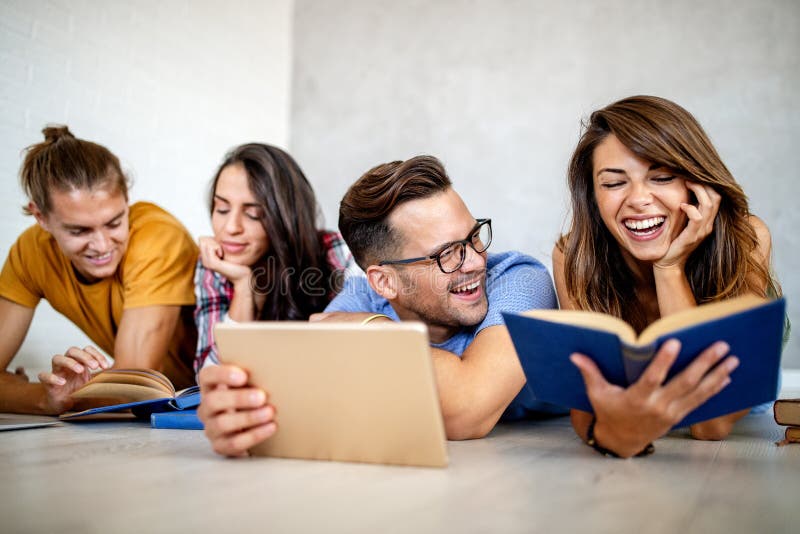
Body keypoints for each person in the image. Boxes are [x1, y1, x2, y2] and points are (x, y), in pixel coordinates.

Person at [198, 154, 562, 456]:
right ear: (385, 282)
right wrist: (242, 419)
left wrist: (374, 332)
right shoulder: (361, 296)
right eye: (446, 254)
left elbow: (469, 411)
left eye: (473, 236)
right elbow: (320, 399)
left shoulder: (518, 278)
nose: (475, 262)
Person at [552, 95, 782, 458]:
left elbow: (712, 424)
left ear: (697, 184)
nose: (639, 199)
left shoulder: (747, 238)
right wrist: (616, 432)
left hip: (747, 406)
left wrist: (669, 268)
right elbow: (587, 415)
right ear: (593, 196)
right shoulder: (574, 256)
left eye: (661, 177)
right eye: (613, 183)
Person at [0, 126, 199, 415]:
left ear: (126, 200)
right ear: (41, 217)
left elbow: (133, 388)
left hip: (208, 398)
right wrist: (48, 397)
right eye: (79, 230)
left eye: (115, 223)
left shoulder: (157, 235)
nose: (103, 245)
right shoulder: (30, 252)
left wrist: (29, 395)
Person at [195, 144, 352, 454]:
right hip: (261, 430)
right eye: (222, 209)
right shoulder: (214, 263)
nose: (231, 228)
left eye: (254, 214)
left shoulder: (333, 251)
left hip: (328, 426)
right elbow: (211, 379)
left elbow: (351, 356)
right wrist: (243, 285)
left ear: (285, 218)